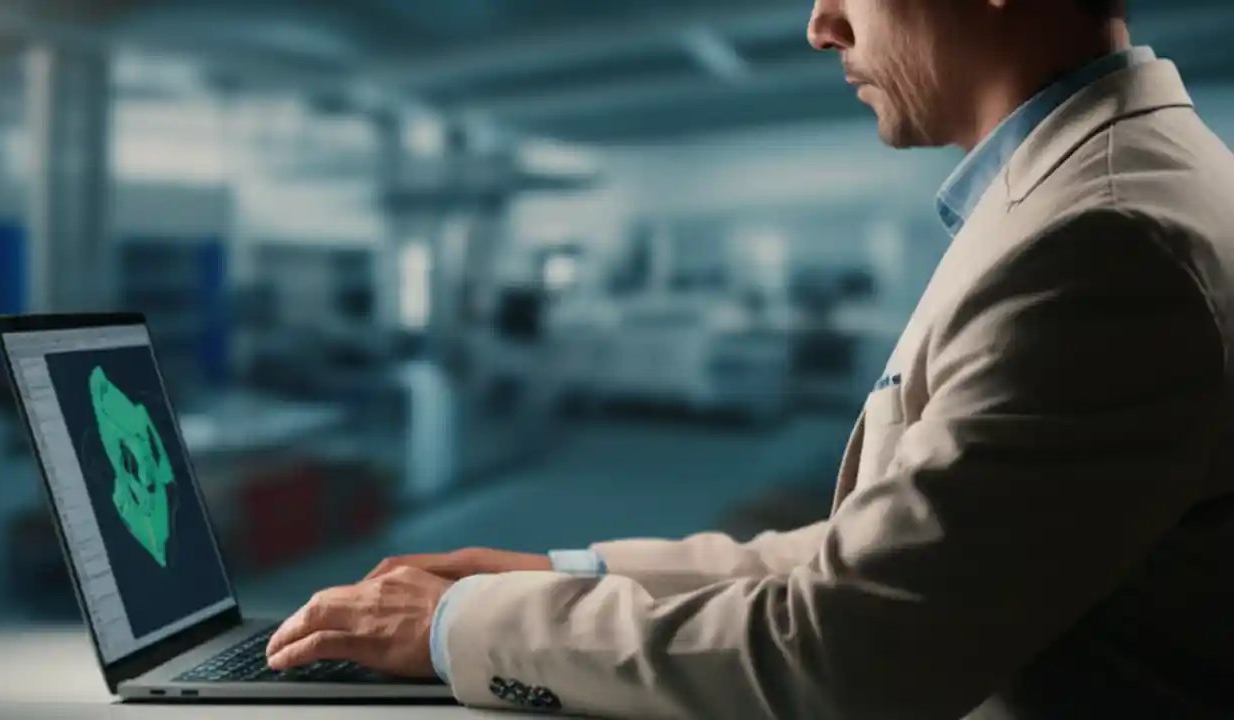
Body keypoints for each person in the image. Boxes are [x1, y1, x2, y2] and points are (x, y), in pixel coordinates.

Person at [266, 0, 1234, 716]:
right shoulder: (1096, 200)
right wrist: (566, 573)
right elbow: (895, 558)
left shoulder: (1102, 242)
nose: (820, 25)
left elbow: (847, 653)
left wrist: (458, 628)